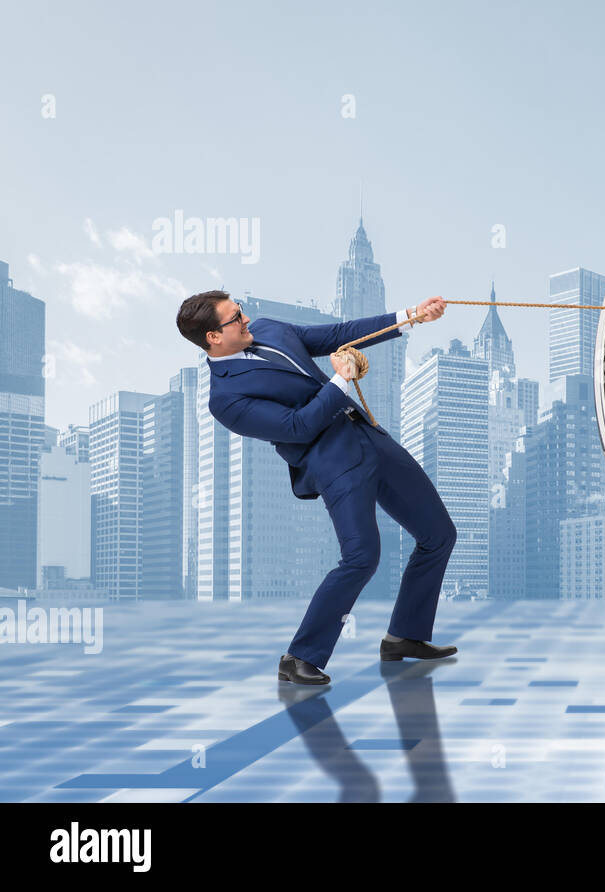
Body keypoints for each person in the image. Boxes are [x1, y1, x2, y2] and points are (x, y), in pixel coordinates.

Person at [175, 290, 457, 685]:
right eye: (234, 318)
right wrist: (342, 378)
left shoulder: (268, 328)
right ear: (213, 338)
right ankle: (299, 657)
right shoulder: (226, 399)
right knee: (362, 556)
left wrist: (411, 316)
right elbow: (298, 427)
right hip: (332, 462)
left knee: (439, 534)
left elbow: (338, 334)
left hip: (368, 435)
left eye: (240, 310)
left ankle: (405, 636)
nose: (245, 320)